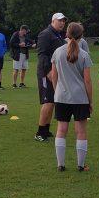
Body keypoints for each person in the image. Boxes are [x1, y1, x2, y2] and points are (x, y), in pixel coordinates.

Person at [49, 22, 93, 172]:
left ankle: (60, 165)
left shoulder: (57, 52)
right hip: (80, 98)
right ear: (81, 36)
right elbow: (87, 80)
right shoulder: (84, 55)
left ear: (66, 34)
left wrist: (57, 92)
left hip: (61, 96)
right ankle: (81, 165)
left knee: (61, 129)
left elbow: (53, 76)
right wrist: (90, 101)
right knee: (80, 131)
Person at [35, 13, 67, 142]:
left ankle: (46, 129)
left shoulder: (58, 35)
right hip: (46, 73)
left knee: (53, 101)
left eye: (64, 21)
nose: (62, 23)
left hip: (56, 72)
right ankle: (40, 132)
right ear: (53, 21)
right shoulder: (45, 34)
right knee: (48, 101)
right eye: (60, 21)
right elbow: (42, 55)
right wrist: (48, 72)